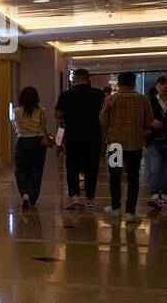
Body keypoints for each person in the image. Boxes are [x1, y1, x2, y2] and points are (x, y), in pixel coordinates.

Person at [100, 71, 156, 223]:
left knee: (115, 177)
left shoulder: (111, 99)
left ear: (118, 83)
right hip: (135, 146)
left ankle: (115, 208)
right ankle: (130, 212)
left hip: (115, 145)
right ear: (134, 83)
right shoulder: (142, 99)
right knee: (133, 178)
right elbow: (149, 122)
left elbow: (103, 122)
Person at [54, 67, 105, 208]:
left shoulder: (66, 95)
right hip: (93, 134)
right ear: (88, 79)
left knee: (72, 166)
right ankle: (90, 199)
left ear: (73, 79)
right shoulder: (99, 94)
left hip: (73, 134)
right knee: (91, 167)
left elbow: (57, 114)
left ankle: (74, 196)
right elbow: (104, 114)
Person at [12, 86, 51, 209]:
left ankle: (24, 193)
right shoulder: (41, 111)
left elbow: (15, 126)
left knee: (21, 169)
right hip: (38, 142)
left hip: (22, 141)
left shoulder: (16, 111)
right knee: (36, 169)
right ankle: (33, 197)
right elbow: (43, 125)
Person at [145, 75, 167, 209]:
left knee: (166, 170)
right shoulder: (149, 101)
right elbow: (142, 117)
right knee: (155, 168)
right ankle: (154, 195)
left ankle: (163, 194)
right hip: (154, 140)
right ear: (157, 86)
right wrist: (151, 121)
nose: (165, 87)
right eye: (162, 84)